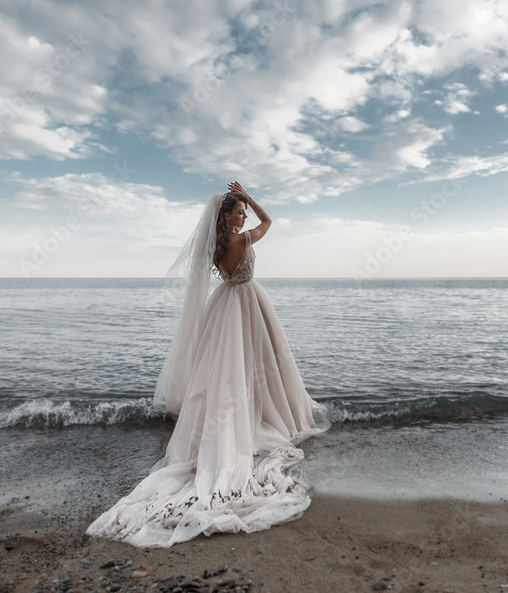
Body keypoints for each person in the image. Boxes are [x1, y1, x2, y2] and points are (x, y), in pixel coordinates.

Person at [86, 182, 328, 548]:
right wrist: (251, 195)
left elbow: (240, 240)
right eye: (239, 211)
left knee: (222, 372)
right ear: (227, 215)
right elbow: (271, 220)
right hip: (248, 303)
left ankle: (219, 424)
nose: (245, 216)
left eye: (244, 211)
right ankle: (256, 421)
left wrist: (241, 197)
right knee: (255, 368)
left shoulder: (214, 248)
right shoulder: (244, 241)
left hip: (224, 305)